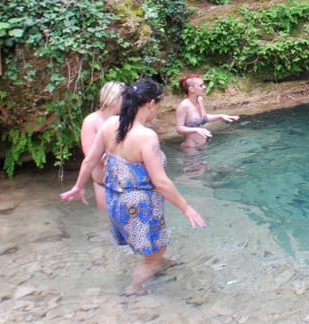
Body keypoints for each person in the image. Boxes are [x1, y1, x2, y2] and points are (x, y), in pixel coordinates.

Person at [60, 79, 206, 295]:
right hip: (141, 206)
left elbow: (90, 160)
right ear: (150, 104)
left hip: (116, 201)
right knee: (157, 251)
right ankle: (134, 288)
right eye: (158, 105)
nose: (157, 110)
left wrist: (79, 186)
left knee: (149, 248)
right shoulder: (146, 137)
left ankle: (156, 265)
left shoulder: (110, 125)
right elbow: (161, 182)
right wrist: (186, 208)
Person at [80, 81, 124, 210]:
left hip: (125, 184)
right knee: (108, 224)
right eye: (124, 97)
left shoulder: (121, 120)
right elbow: (91, 156)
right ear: (114, 98)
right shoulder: (91, 121)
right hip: (104, 184)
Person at [175, 74, 240, 149]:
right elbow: (179, 129)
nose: (204, 87)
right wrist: (196, 129)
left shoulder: (199, 100)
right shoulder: (184, 106)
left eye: (203, 85)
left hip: (203, 144)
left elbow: (204, 118)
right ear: (191, 89)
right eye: (201, 85)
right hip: (191, 147)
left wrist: (221, 116)